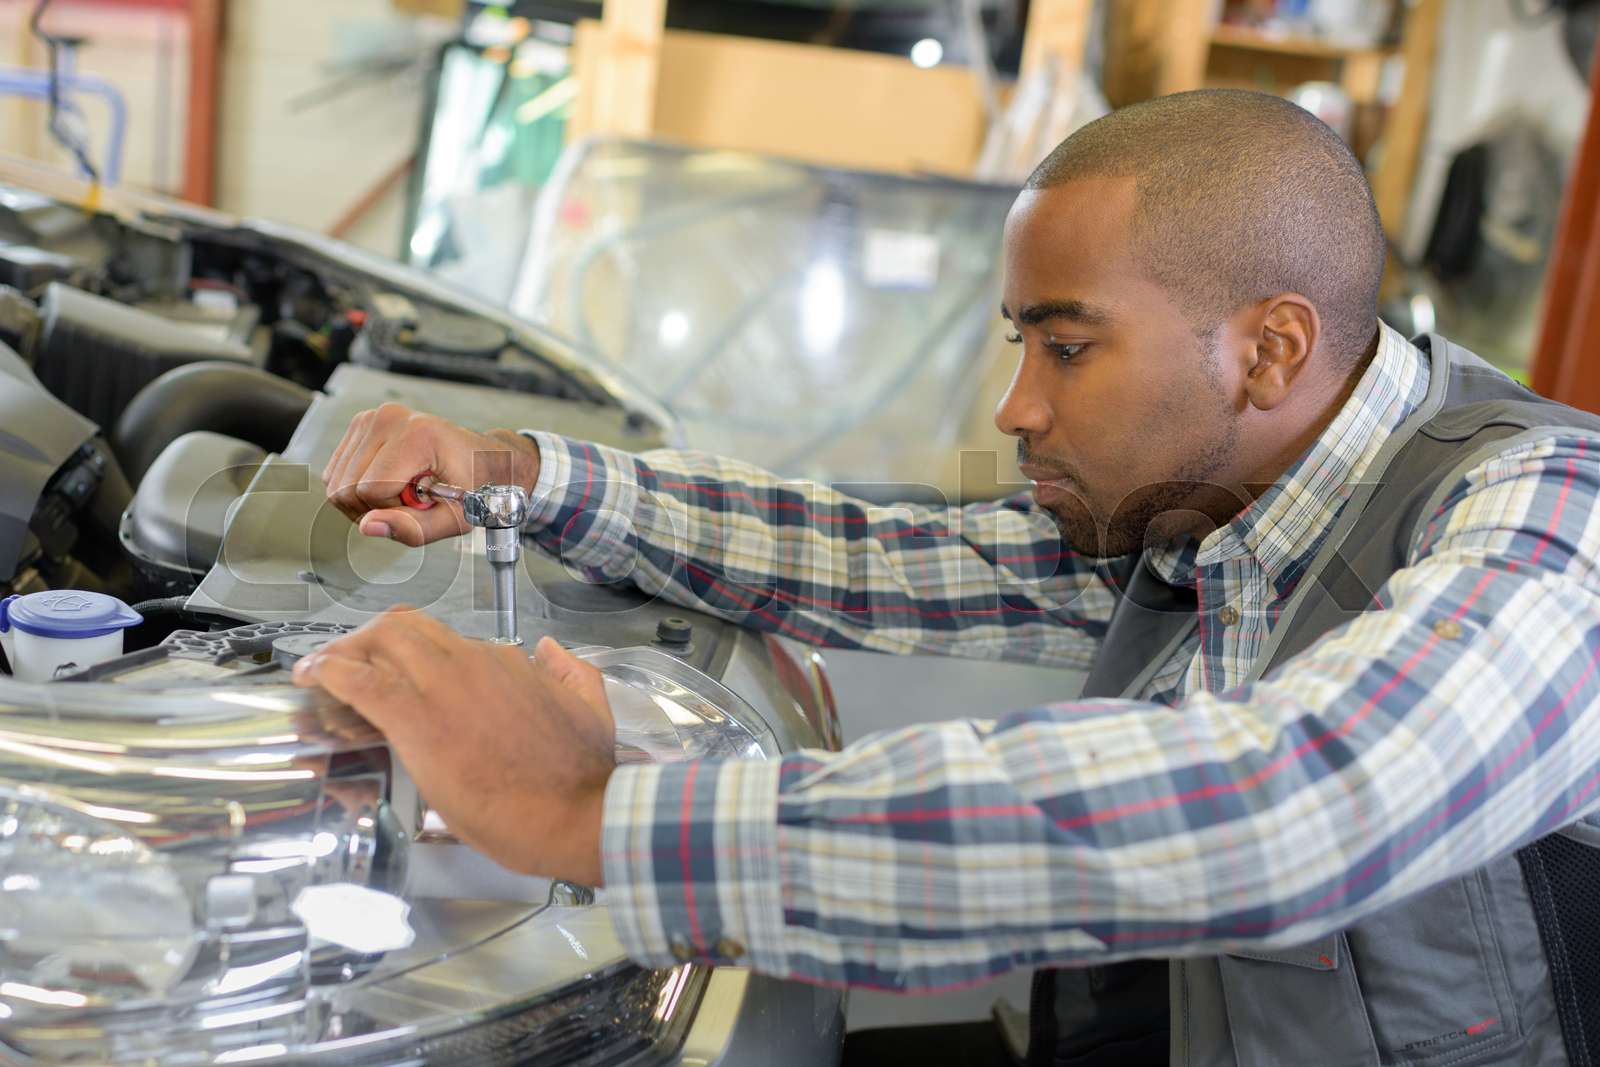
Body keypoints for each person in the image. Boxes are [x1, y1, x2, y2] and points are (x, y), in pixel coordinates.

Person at [302, 89, 1600, 1066]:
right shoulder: (1211, 499)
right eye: (1019, 344)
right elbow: (881, 554)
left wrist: (593, 809)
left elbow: (1302, 800)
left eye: (1068, 348)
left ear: (1268, 350)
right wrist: (524, 471)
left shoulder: (1551, 522)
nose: (1018, 407)